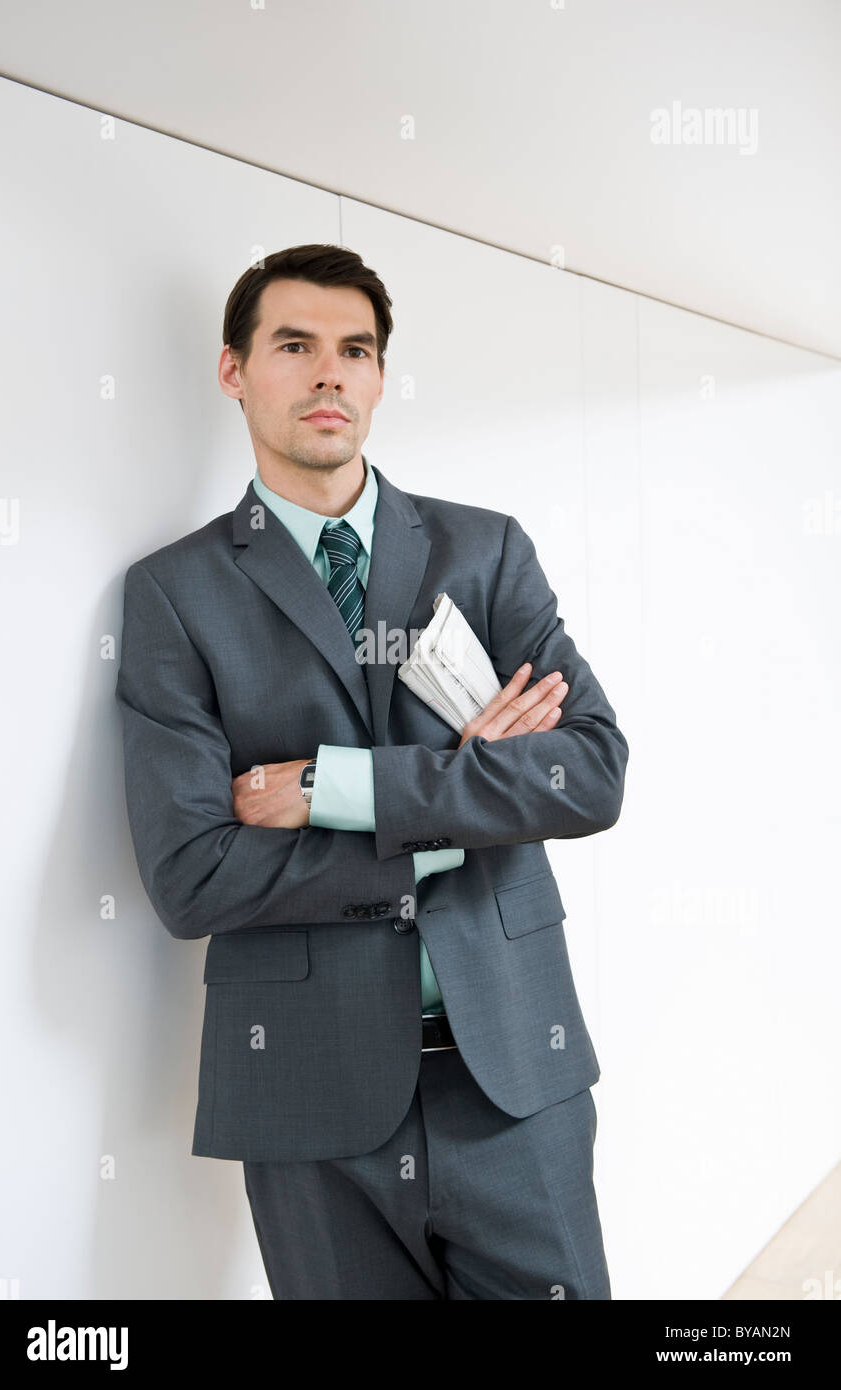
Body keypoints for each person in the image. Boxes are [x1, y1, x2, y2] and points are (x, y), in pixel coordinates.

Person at [115, 243, 628, 1300]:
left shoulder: (484, 554)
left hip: (514, 1082)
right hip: (307, 1103)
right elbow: (192, 876)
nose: (328, 375)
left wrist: (334, 788)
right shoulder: (175, 595)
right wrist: (460, 808)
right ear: (234, 371)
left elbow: (588, 774)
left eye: (354, 350)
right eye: (293, 345)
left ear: (381, 376)